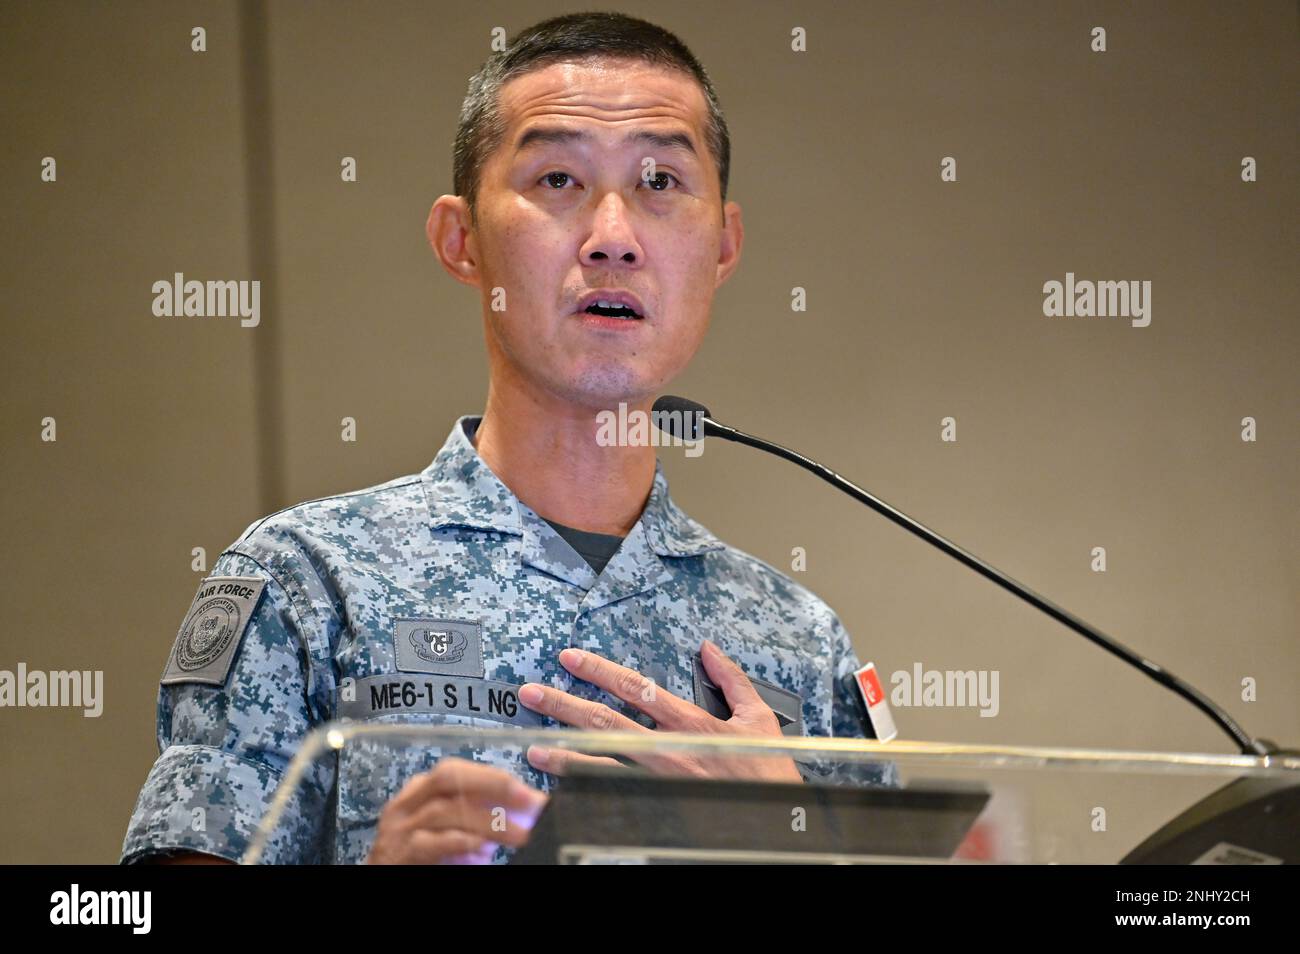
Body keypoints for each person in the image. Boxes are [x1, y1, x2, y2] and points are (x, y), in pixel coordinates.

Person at [120, 11, 897, 866]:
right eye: (558, 178)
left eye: (661, 181)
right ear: (462, 241)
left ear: (723, 246)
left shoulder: (800, 641)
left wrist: (790, 832)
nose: (613, 239)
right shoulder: (308, 583)